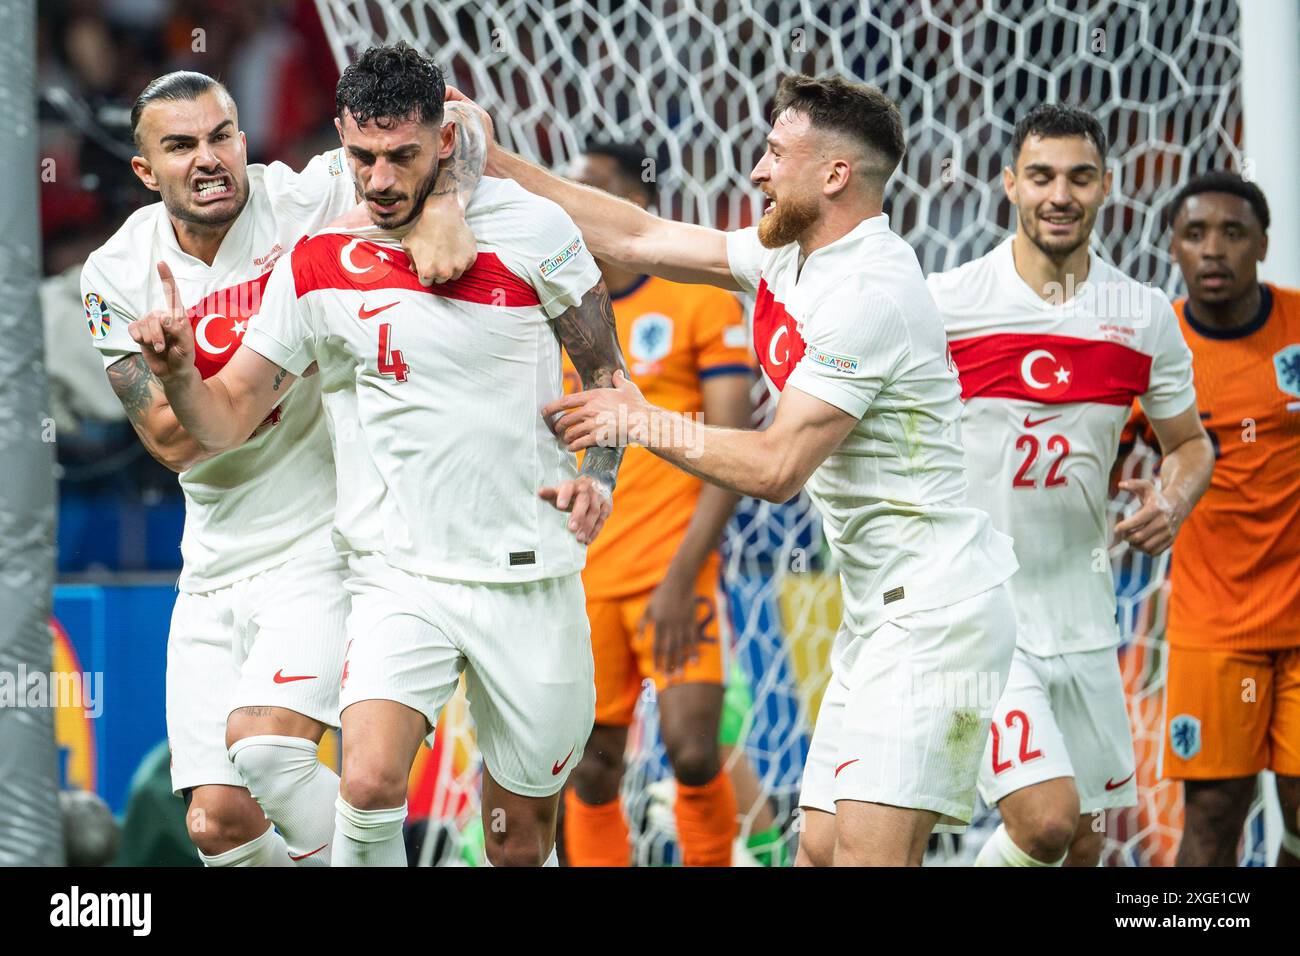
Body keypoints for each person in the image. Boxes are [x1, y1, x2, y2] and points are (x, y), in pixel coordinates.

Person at [454, 73, 1022, 866]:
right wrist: (494, 159)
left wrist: (636, 417)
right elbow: (637, 236)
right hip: (878, 612)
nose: (755, 170)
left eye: (774, 153)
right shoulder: (791, 257)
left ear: (833, 176)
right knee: (820, 848)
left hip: (934, 614)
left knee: (869, 857)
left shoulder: (871, 291)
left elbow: (778, 465)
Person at [129, 43, 624, 867]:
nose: (381, 180)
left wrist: (597, 479)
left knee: (517, 840)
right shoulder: (316, 263)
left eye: (401, 156)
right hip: (398, 577)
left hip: (529, 574)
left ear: (443, 142)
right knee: (363, 783)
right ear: (339, 140)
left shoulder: (535, 230)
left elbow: (607, 373)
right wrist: (180, 375)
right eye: (362, 157)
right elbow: (222, 425)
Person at [82, 69, 481, 866]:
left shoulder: (308, 195)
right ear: (144, 170)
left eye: (222, 135)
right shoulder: (115, 275)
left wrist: (442, 202)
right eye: (181, 145)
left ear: (244, 138)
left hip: (322, 543)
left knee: (266, 754)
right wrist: (243, 361)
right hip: (213, 563)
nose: (209, 158)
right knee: (217, 823)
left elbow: (459, 123)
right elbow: (171, 442)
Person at [925, 104, 1214, 867]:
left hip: (1084, 616)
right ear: (1009, 184)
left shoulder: (1142, 316)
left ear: (1107, 187)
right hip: (979, 613)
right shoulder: (947, 303)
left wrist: (1173, 499)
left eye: (1080, 177)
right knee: (1045, 825)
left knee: (1081, 846)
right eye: (1043, 176)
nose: (1061, 195)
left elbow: (1189, 443)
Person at [558, 141, 754, 867]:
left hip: (675, 566)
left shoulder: (698, 298)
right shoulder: (557, 315)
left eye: (592, 191)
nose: (572, 206)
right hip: (582, 575)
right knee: (591, 767)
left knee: (694, 750)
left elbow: (733, 447)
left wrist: (681, 577)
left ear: (630, 209)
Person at [1154, 171, 1300, 866]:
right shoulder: (1156, 354)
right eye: (1196, 234)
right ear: (1173, 248)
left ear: (1263, 245)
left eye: (1233, 233)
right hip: (1214, 626)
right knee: (1213, 822)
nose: (1214, 249)